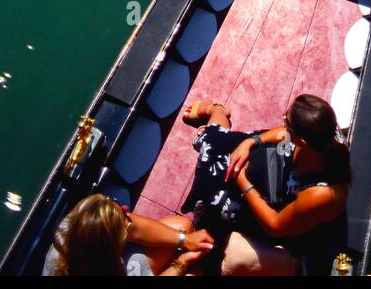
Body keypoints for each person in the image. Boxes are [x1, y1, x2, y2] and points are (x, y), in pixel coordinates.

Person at [182, 94, 350, 276]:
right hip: (274, 171)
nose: (283, 121)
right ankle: (216, 112)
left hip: (277, 210)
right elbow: (284, 134)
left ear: (302, 142)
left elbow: (275, 225)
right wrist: (253, 141)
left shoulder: (322, 194)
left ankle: (214, 116)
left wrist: (243, 181)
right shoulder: (322, 136)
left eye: (288, 122)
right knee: (217, 143)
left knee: (213, 187)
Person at [43, 193, 214, 277]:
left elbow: (133, 226)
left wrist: (184, 240)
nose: (127, 210)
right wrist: (180, 264)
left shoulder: (75, 223)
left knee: (181, 227)